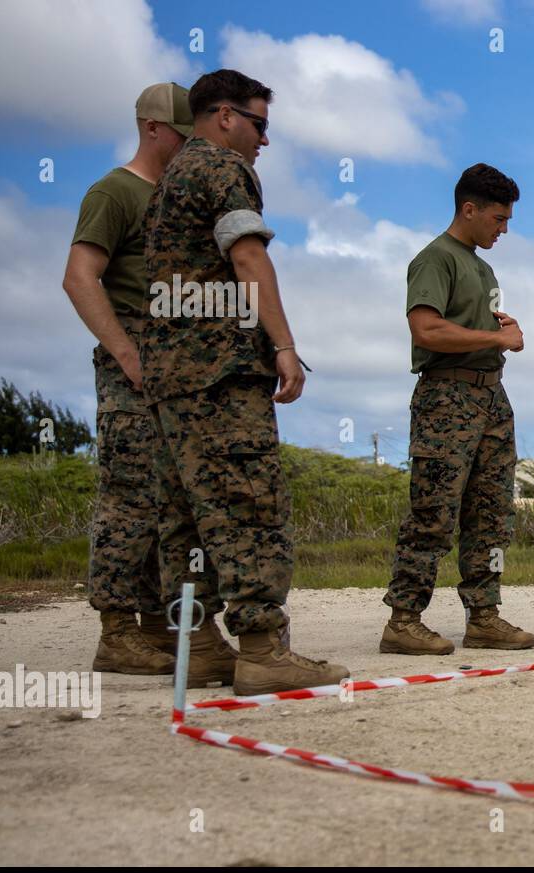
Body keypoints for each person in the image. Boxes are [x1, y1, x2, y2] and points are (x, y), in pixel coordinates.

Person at [142, 69, 349, 692]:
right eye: (259, 124)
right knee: (248, 504)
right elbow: (248, 254)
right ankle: (262, 649)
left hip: (172, 375)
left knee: (185, 512)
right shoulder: (221, 170)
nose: (264, 140)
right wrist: (283, 344)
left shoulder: (172, 177)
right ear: (225, 116)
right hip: (220, 371)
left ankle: (200, 645)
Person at [379, 163, 534, 655]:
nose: (504, 229)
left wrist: (501, 332)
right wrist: (496, 337)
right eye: (497, 218)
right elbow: (426, 330)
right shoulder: (435, 259)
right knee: (433, 513)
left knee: (491, 515)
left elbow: (469, 327)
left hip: (490, 397)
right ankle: (403, 620)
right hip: (447, 398)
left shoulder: (482, 267)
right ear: (468, 209)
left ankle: (484, 616)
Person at [63, 82, 193, 675]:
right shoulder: (114, 191)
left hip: (177, 363)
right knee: (130, 495)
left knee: (171, 500)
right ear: (151, 128)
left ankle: (152, 626)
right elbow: (79, 277)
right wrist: (126, 354)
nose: (188, 147)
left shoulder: (177, 197)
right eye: (180, 136)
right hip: (134, 361)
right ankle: (115, 632)